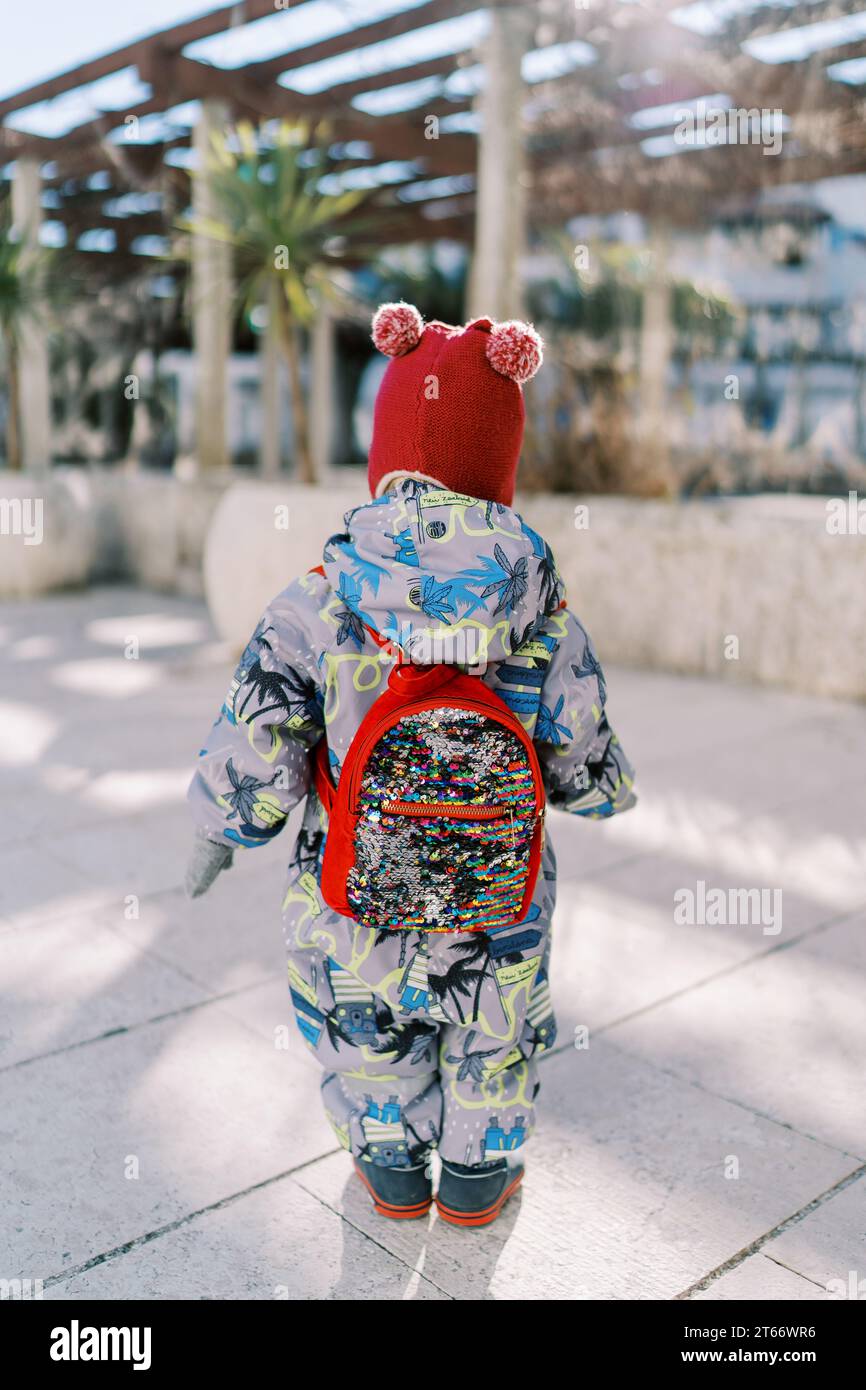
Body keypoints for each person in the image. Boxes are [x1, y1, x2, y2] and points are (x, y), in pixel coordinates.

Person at [185, 302, 637, 1227]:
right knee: (493, 1031)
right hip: (497, 895)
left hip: (352, 891)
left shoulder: (313, 603)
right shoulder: (545, 614)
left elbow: (257, 740)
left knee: (362, 1033)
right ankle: (479, 1174)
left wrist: (220, 831)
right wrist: (605, 791)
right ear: (499, 470)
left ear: (382, 457)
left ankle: (390, 1166)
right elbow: (577, 744)